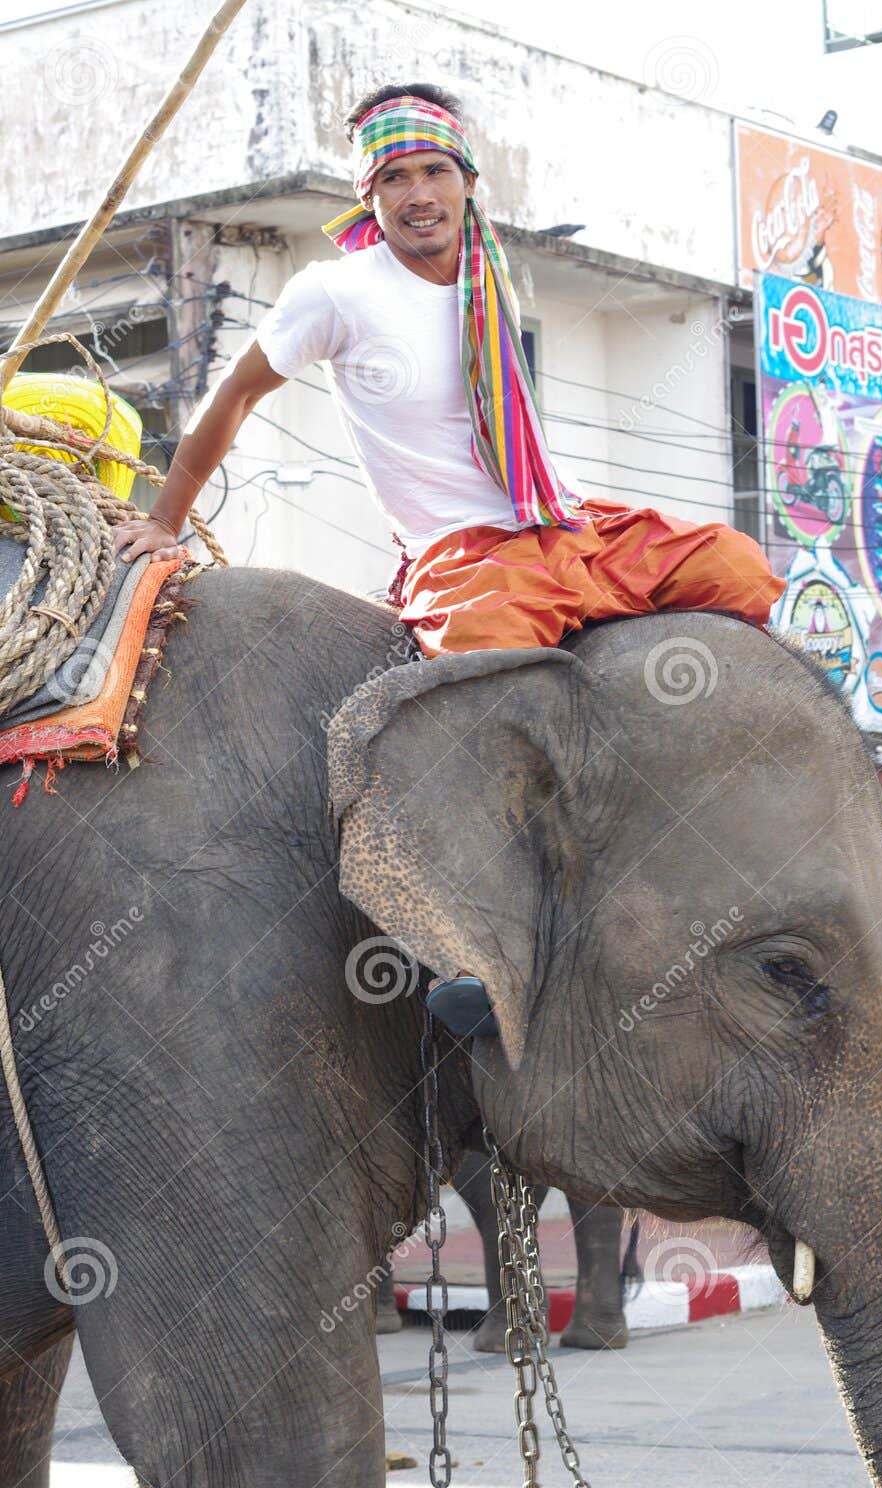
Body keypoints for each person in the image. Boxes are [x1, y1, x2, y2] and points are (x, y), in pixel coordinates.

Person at [114, 83, 784, 1035]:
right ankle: (471, 947)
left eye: (434, 170)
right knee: (484, 696)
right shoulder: (334, 291)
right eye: (394, 177)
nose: (417, 192)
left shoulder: (487, 270)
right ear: (369, 197)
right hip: (462, 557)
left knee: (740, 570)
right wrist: (168, 522)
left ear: (467, 182)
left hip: (558, 524)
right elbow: (231, 401)